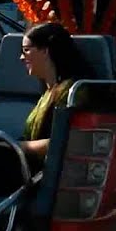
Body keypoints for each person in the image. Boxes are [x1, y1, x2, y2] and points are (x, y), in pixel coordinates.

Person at [18, 22, 98, 165]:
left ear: (45, 51)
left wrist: (18, 147)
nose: (22, 57)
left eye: (26, 50)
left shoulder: (73, 93)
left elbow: (66, 141)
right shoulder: (48, 93)